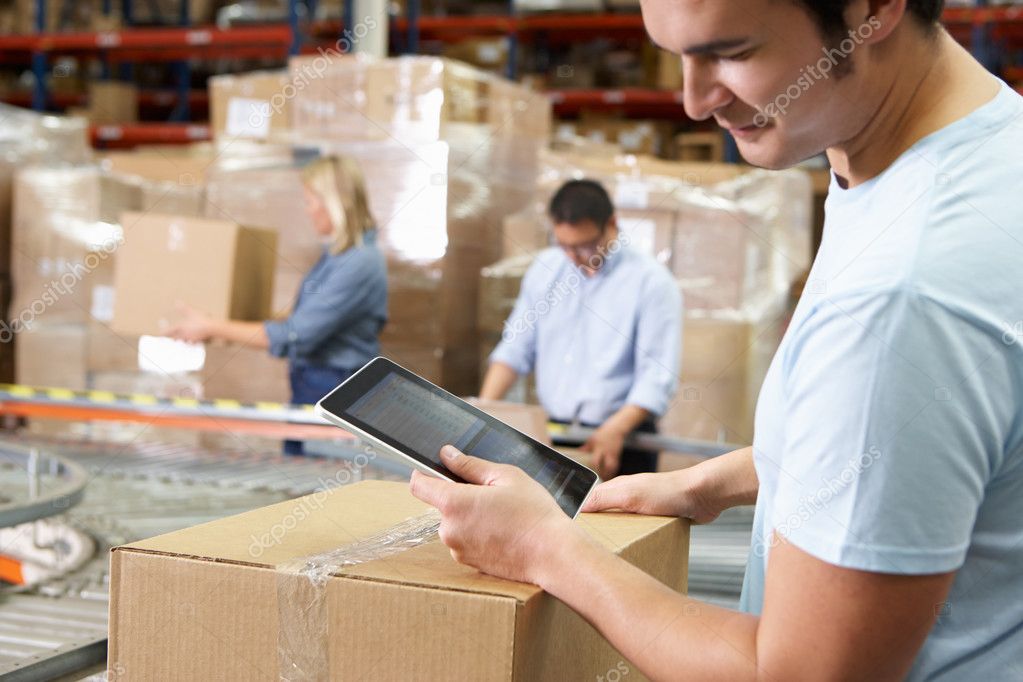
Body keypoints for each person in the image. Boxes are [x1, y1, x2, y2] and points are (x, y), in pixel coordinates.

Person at [409, 0, 1023, 679]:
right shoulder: (957, 151)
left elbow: (793, 674)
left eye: (729, 53)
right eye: (676, 55)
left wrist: (543, 549)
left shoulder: (898, 294)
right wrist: (709, 483)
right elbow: (926, 444)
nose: (694, 102)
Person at [170, 155, 387, 455]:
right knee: (303, 468)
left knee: (319, 479)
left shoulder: (359, 263)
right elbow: (308, 318)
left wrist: (211, 327)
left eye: (311, 202)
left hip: (334, 385)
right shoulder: (340, 256)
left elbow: (296, 334)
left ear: (335, 203)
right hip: (318, 381)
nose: (308, 211)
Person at [479, 179, 681, 479]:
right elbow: (515, 348)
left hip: (622, 440)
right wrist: (483, 412)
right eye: (564, 246)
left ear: (612, 224)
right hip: (554, 436)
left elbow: (656, 375)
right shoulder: (546, 269)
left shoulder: (651, 282)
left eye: (586, 246)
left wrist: (617, 428)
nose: (575, 258)